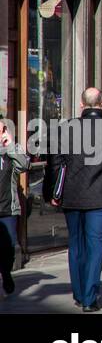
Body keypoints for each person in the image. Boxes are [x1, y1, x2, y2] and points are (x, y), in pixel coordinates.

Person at [48, 88, 102, 311]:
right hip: (100, 197)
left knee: (76, 245)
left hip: (72, 196)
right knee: (96, 247)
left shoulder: (65, 129)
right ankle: (89, 297)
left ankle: (78, 292)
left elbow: (55, 163)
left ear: (81, 104)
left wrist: (53, 193)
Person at [0, 119, 28, 296]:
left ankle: (6, 272)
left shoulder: (11, 151)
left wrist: (11, 146)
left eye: (2, 128)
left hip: (8, 209)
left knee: (9, 246)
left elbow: (25, 165)